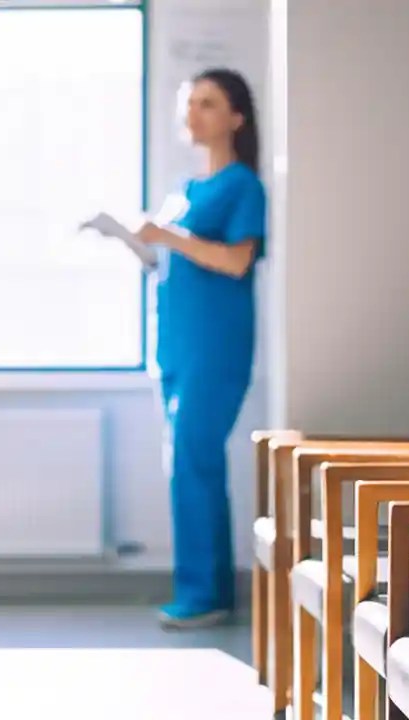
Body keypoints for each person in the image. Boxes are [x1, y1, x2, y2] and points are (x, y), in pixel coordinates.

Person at [137, 68, 266, 628]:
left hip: (217, 346)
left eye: (207, 104)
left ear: (236, 117)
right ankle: (205, 590)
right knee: (189, 464)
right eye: (188, 103)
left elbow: (235, 260)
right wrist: (140, 244)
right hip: (178, 347)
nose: (194, 114)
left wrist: (168, 237)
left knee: (194, 459)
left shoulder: (241, 185)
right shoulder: (183, 192)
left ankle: (206, 593)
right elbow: (173, 262)